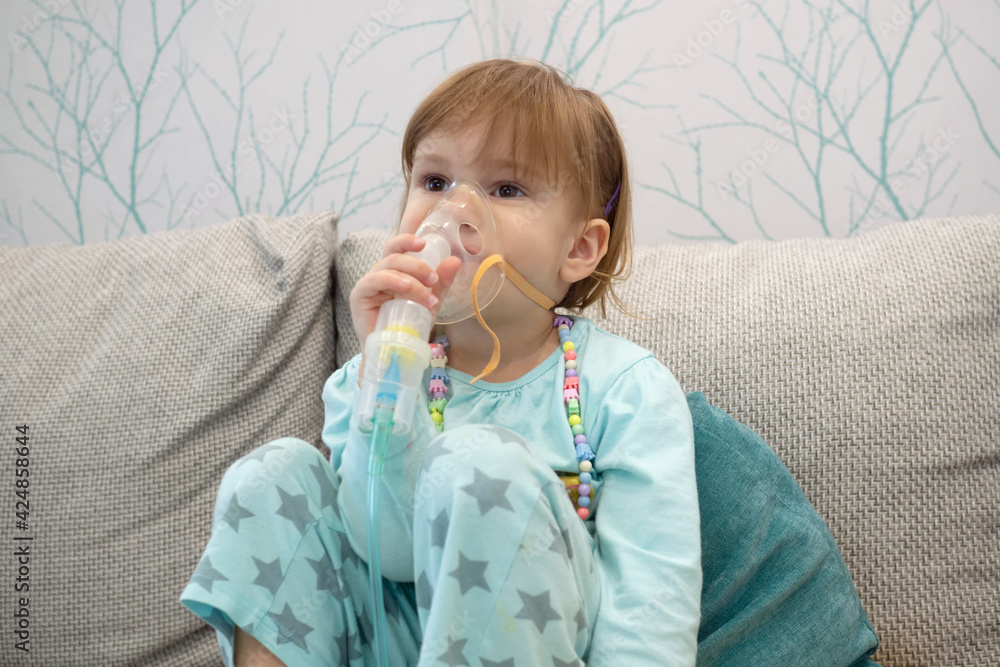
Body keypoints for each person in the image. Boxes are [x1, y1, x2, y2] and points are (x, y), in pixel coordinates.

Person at [180, 57, 701, 666]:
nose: (456, 211)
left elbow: (650, 603)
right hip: (386, 643)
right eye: (433, 182)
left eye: (506, 189)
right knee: (271, 475)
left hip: (535, 642)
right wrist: (387, 369)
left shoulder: (624, 390)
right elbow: (389, 548)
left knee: (478, 461)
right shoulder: (367, 380)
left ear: (580, 248)